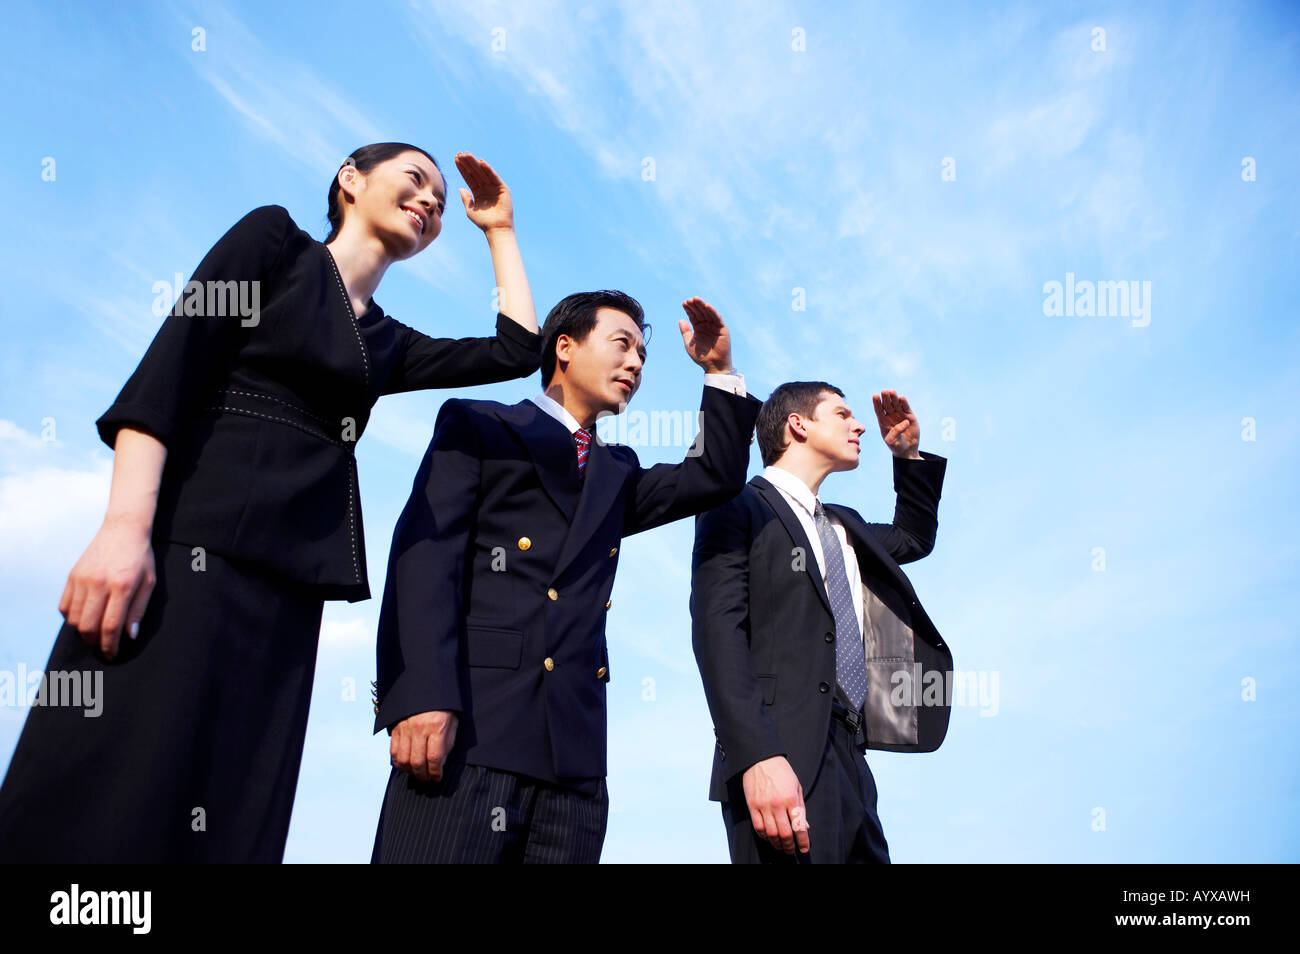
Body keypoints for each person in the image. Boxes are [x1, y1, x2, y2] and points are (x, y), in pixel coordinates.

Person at [0, 143, 543, 863]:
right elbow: (171, 368)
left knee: (236, 787)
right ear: (350, 180)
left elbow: (515, 350)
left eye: (442, 202)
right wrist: (123, 529)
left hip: (292, 583)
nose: (432, 202)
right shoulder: (275, 243)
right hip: (187, 552)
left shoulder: (387, 342)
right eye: (416, 179)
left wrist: (498, 230)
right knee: (122, 762)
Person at [369, 291, 762, 863]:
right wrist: (419, 695)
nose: (635, 365)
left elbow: (713, 476)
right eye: (622, 345)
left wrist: (719, 373)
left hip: (574, 768)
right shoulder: (480, 425)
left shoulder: (615, 473)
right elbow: (425, 561)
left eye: (644, 359)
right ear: (565, 347)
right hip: (469, 735)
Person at [690, 382, 951, 863]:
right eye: (842, 413)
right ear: (798, 425)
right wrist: (757, 757)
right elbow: (717, 635)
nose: (858, 426)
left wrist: (908, 455)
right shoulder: (738, 507)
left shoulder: (843, 526)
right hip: (779, 754)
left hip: (852, 753)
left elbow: (914, 538)